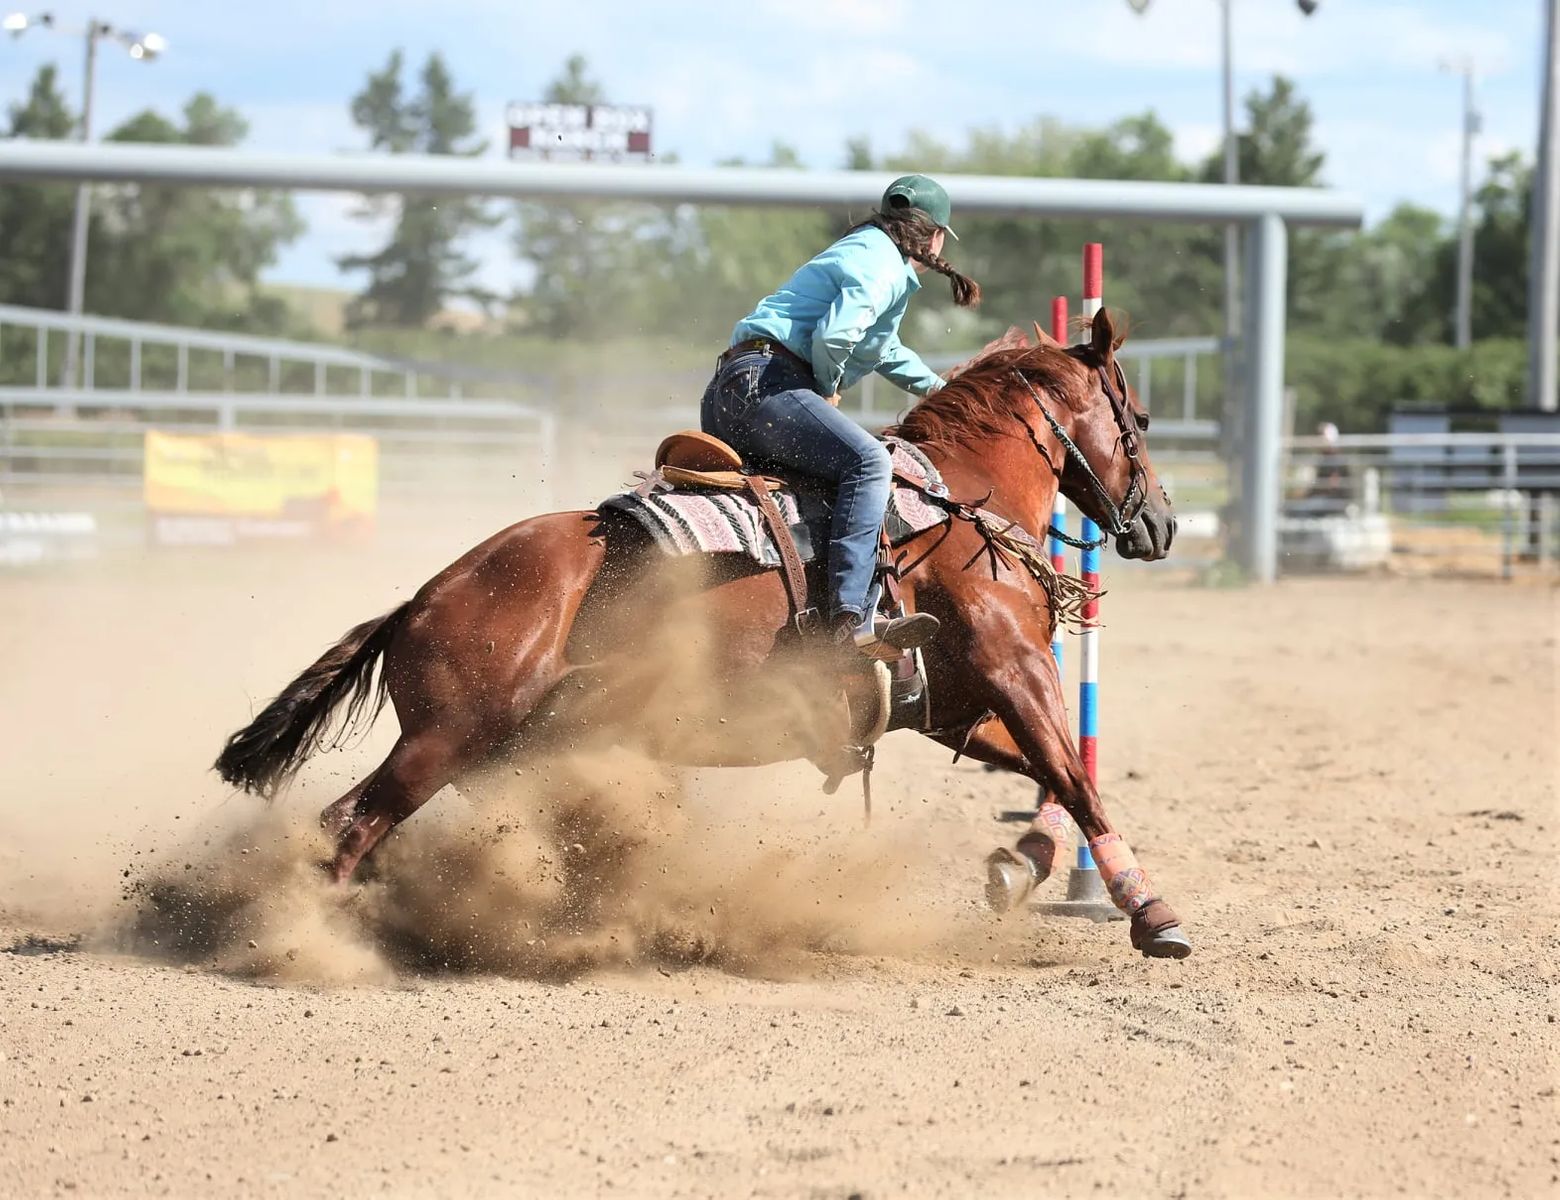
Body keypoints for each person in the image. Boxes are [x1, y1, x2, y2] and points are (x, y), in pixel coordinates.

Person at [699, 174, 981, 657]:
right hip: (768, 386)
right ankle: (851, 619)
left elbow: (885, 349)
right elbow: (834, 339)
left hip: (732, 390)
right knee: (870, 463)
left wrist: (943, 392)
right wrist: (827, 388)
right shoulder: (883, 266)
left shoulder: (864, 252)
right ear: (936, 236)